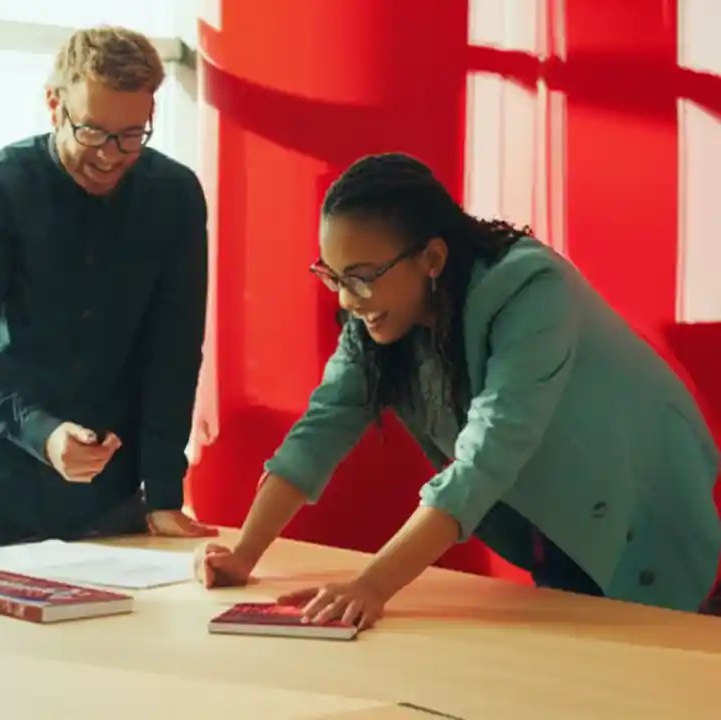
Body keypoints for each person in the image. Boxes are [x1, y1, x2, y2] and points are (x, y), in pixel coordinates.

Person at [195, 152, 721, 625]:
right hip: (556, 522)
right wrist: (244, 553)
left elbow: (487, 455)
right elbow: (318, 432)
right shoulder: (375, 318)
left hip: (644, 510)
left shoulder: (532, 289)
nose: (349, 300)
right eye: (332, 277)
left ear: (432, 259)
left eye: (361, 276)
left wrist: (372, 586)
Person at [0, 26, 216, 550]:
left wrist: (166, 494)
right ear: (54, 104)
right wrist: (44, 432)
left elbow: (173, 351)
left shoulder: (175, 196)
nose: (110, 155)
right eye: (93, 132)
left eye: (132, 135)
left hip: (108, 499)